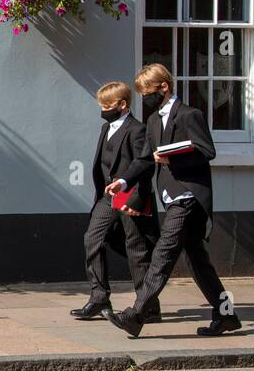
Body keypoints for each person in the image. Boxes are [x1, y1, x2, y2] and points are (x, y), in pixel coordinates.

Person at [103, 64, 242, 338]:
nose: (144, 98)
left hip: (188, 195)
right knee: (197, 261)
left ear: (163, 87)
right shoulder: (154, 121)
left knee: (163, 254)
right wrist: (124, 182)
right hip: (171, 195)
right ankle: (226, 316)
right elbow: (144, 159)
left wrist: (172, 158)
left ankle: (136, 315)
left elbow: (206, 152)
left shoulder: (190, 115)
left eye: (147, 92)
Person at [69, 81, 160, 321]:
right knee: (92, 239)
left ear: (122, 104)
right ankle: (99, 298)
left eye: (107, 105)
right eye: (101, 105)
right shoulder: (105, 128)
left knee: (137, 250)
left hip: (130, 197)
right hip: (107, 197)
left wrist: (138, 201)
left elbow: (145, 166)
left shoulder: (137, 130)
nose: (103, 110)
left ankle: (148, 306)